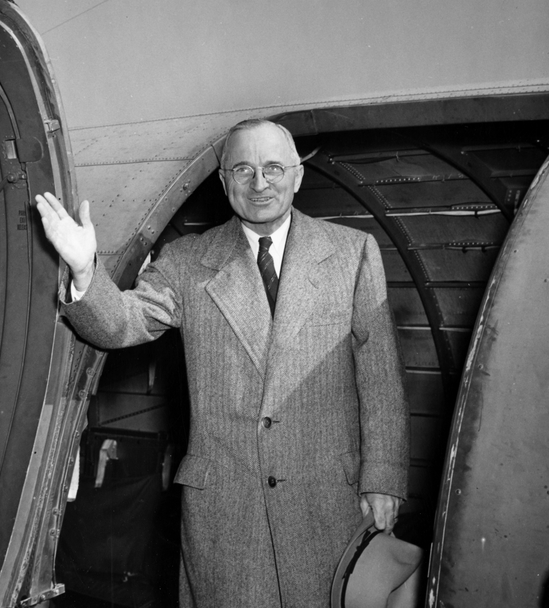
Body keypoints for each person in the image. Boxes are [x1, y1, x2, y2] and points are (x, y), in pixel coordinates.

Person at [35, 119, 409, 607]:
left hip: (328, 506)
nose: (260, 183)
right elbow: (124, 322)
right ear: (223, 181)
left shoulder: (352, 253)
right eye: (244, 169)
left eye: (274, 167)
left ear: (297, 175)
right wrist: (86, 271)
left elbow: (379, 376)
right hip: (228, 518)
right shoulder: (189, 260)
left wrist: (383, 478)